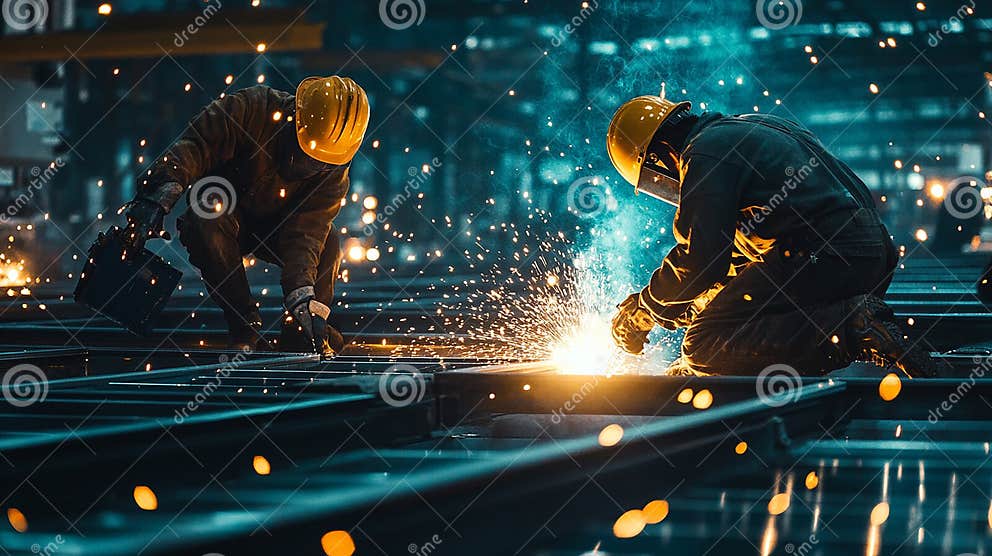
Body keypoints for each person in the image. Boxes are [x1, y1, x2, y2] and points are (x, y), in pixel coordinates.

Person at [606, 90, 943, 378]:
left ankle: (854, 328)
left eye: (654, 177)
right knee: (714, 335)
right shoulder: (748, 127)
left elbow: (700, 258)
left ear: (659, 155)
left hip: (823, 255)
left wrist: (645, 309)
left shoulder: (704, 153)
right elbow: (731, 263)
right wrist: (689, 303)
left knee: (703, 345)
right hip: (865, 254)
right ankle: (852, 324)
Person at [121, 76, 370, 356]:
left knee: (329, 241)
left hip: (278, 228)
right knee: (207, 219)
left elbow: (307, 233)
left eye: (323, 163)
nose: (314, 166)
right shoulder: (252, 109)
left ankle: (304, 329)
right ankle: (244, 327)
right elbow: (195, 145)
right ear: (297, 120)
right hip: (225, 215)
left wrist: (302, 297)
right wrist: (160, 194)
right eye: (311, 156)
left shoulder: (334, 169)